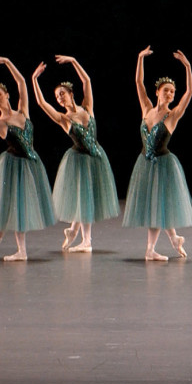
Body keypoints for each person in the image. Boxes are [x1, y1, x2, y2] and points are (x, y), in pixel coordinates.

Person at [30, 55, 119, 253]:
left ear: (71, 93)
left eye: (62, 94)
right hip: (78, 160)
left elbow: (87, 81)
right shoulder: (64, 118)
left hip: (96, 157)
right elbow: (42, 104)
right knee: (83, 198)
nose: (60, 98)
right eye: (57, 96)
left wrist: (73, 60)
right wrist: (34, 80)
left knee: (85, 198)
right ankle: (86, 240)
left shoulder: (87, 107)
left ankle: (73, 230)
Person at [123, 46, 192, 261]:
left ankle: (150, 250)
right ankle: (172, 239)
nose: (170, 94)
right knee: (156, 205)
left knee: (157, 206)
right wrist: (139, 58)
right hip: (145, 164)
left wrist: (188, 66)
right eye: (166, 90)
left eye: (172, 92)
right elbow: (138, 83)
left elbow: (190, 92)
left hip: (164, 165)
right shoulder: (146, 108)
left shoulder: (172, 116)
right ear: (157, 92)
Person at [0, 57, 54, 261]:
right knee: (15, 206)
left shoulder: (23, 110)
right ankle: (21, 251)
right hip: (12, 165)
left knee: (14, 204)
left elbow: (22, 83)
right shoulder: (0, 123)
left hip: (31, 163)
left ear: (7, 95)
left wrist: (7, 62)